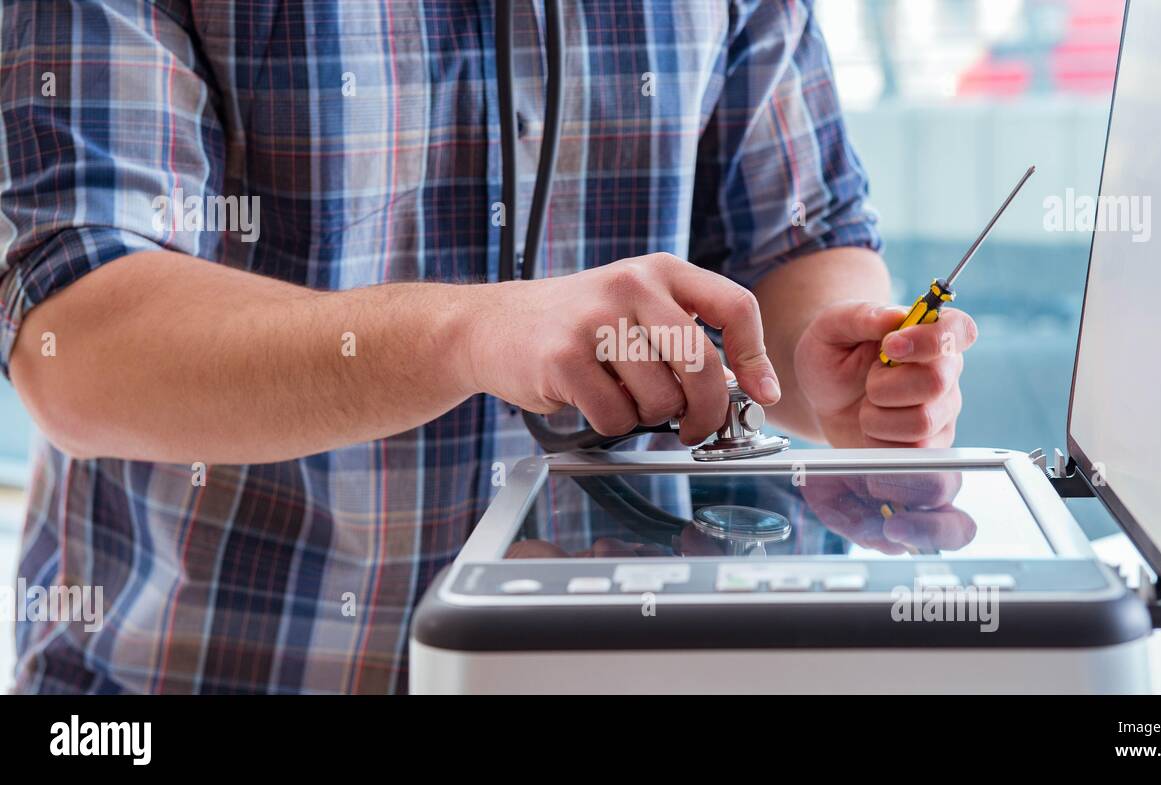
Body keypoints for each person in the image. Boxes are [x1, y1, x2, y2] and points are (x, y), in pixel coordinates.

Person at [0, 0, 976, 693]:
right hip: (204, 668)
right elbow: (80, 342)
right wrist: (468, 331)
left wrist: (827, 369)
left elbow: (800, 241)